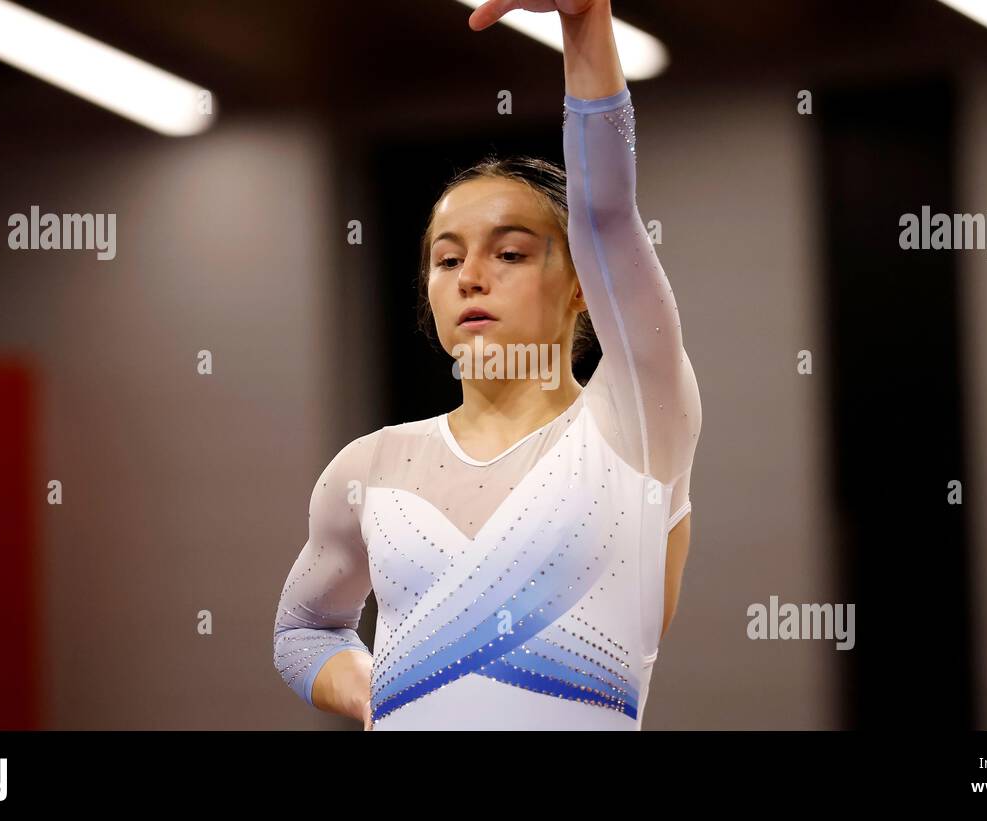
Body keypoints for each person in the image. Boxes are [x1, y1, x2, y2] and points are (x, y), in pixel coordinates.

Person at [273, 0, 701, 730]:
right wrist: (375, 693)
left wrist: (585, 21)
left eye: (509, 252)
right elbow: (303, 629)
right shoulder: (368, 468)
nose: (471, 275)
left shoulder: (636, 423)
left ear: (581, 286)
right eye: (447, 258)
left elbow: (606, 213)